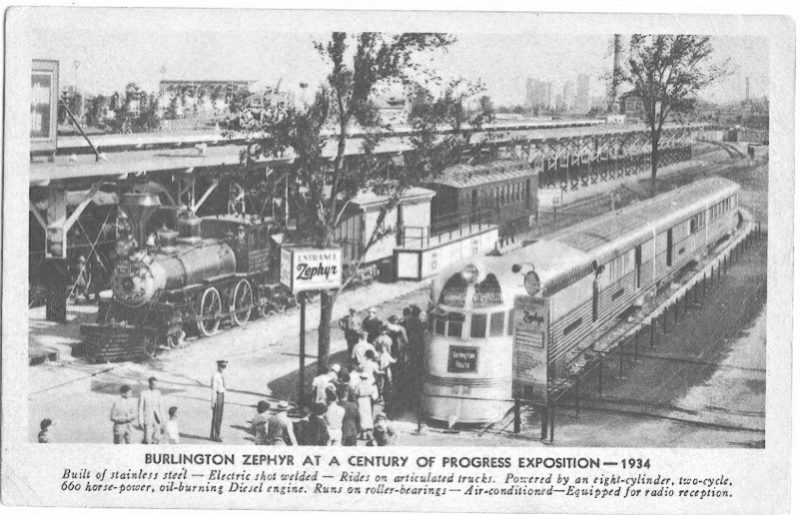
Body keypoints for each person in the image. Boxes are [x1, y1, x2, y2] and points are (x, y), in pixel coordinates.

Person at [138, 377, 164, 444]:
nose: (155, 386)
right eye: (153, 384)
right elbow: (140, 408)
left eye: (156, 384)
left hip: (157, 420)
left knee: (156, 439)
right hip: (147, 419)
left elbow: (161, 407)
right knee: (147, 440)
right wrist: (141, 421)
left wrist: (163, 420)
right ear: (149, 384)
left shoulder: (158, 393)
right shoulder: (143, 393)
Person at [354, 371, 377, 440]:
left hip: (360, 400)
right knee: (368, 415)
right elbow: (373, 391)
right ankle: (368, 431)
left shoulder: (358, 384)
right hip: (367, 400)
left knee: (362, 415)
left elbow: (356, 393)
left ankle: (363, 432)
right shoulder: (369, 384)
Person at [210, 360, 227, 442]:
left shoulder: (220, 375)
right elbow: (213, 389)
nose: (223, 368)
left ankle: (217, 434)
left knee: (219, 416)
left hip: (221, 395)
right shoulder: (215, 376)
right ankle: (214, 436)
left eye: (224, 367)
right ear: (218, 366)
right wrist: (213, 402)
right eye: (222, 367)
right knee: (216, 417)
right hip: (217, 396)